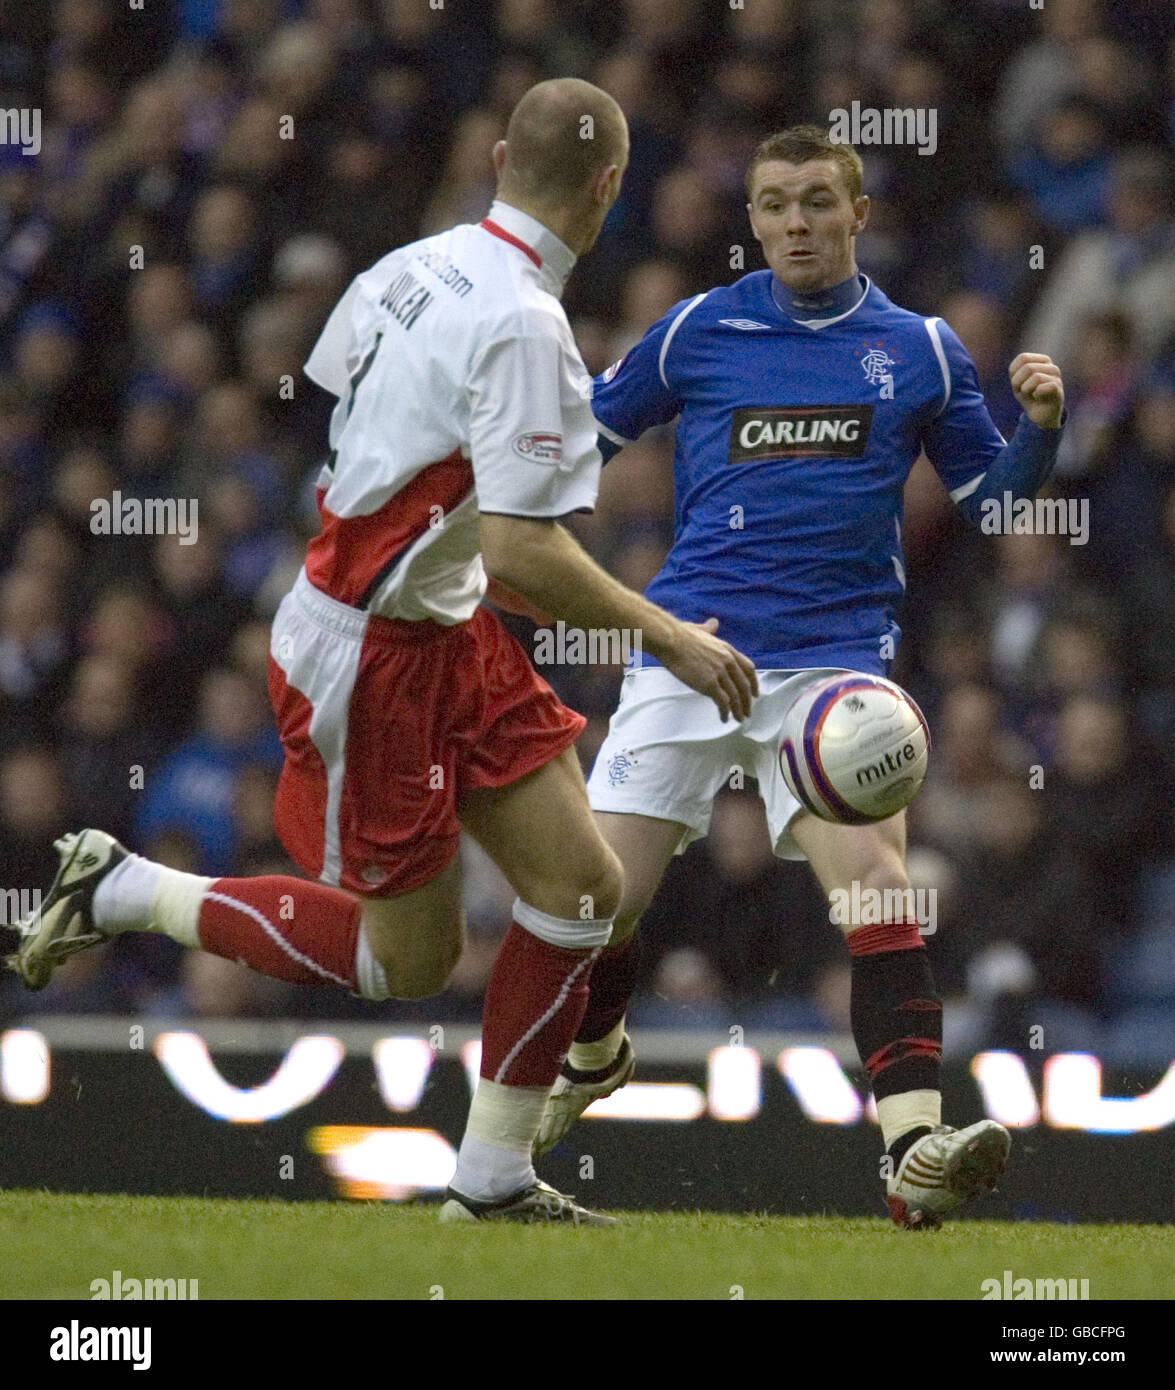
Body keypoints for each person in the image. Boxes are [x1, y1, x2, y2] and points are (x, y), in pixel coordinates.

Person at [6, 79, 757, 1226]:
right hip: (373, 652)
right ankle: (130, 888)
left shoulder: (407, 263)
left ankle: (491, 1182)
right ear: (608, 190)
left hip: (437, 618)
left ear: (501, 153)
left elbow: (357, 425)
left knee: (582, 887)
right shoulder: (524, 325)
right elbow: (519, 549)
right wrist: (665, 633)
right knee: (405, 962)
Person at [540, 125, 1066, 1230]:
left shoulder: (916, 348)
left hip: (830, 673)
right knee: (595, 904)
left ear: (856, 213)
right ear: (753, 221)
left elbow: (993, 506)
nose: (794, 223)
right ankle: (594, 1051)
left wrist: (1041, 430)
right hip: (689, 652)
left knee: (876, 896)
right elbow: (584, 433)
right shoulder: (699, 326)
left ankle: (911, 1151)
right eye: (774, 203)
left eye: (816, 202)